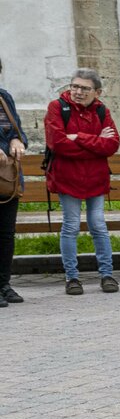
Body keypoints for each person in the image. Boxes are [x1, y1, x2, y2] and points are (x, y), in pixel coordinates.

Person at [43, 69, 120, 295]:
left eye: (84, 88)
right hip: (67, 178)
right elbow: (57, 143)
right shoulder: (57, 108)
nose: (77, 92)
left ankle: (107, 274)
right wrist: (96, 143)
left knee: (98, 224)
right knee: (71, 226)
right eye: (74, 86)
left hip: (96, 178)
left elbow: (112, 145)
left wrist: (78, 138)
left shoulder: (102, 110)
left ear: (97, 92)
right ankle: (72, 278)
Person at [0, 68, 25, 306]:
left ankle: (4, 284)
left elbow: (18, 131)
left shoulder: (3, 96)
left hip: (7, 179)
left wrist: (17, 140)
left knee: (6, 235)